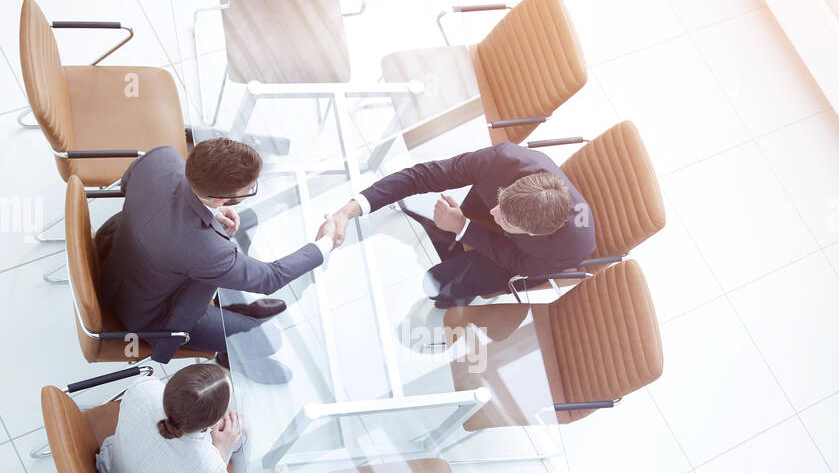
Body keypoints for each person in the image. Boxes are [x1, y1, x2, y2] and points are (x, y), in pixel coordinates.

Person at [95, 138, 335, 382]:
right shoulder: (208, 250)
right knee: (268, 341)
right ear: (220, 198)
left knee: (247, 218)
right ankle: (228, 357)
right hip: (150, 316)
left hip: (116, 259)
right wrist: (324, 244)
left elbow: (128, 185)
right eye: (250, 188)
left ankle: (232, 309)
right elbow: (270, 278)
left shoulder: (161, 157)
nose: (252, 189)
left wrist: (208, 210)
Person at [327, 141, 595, 306]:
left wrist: (465, 228)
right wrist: (348, 211)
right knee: (426, 240)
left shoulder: (571, 248)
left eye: (505, 219)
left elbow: (517, 262)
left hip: (515, 260)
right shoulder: (500, 161)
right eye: (501, 202)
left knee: (437, 285)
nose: (494, 212)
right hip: (483, 217)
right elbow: (421, 177)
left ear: (532, 233)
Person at [96, 364, 244, 473]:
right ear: (213, 423)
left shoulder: (144, 387)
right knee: (241, 438)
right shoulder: (211, 469)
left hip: (107, 464)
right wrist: (220, 451)